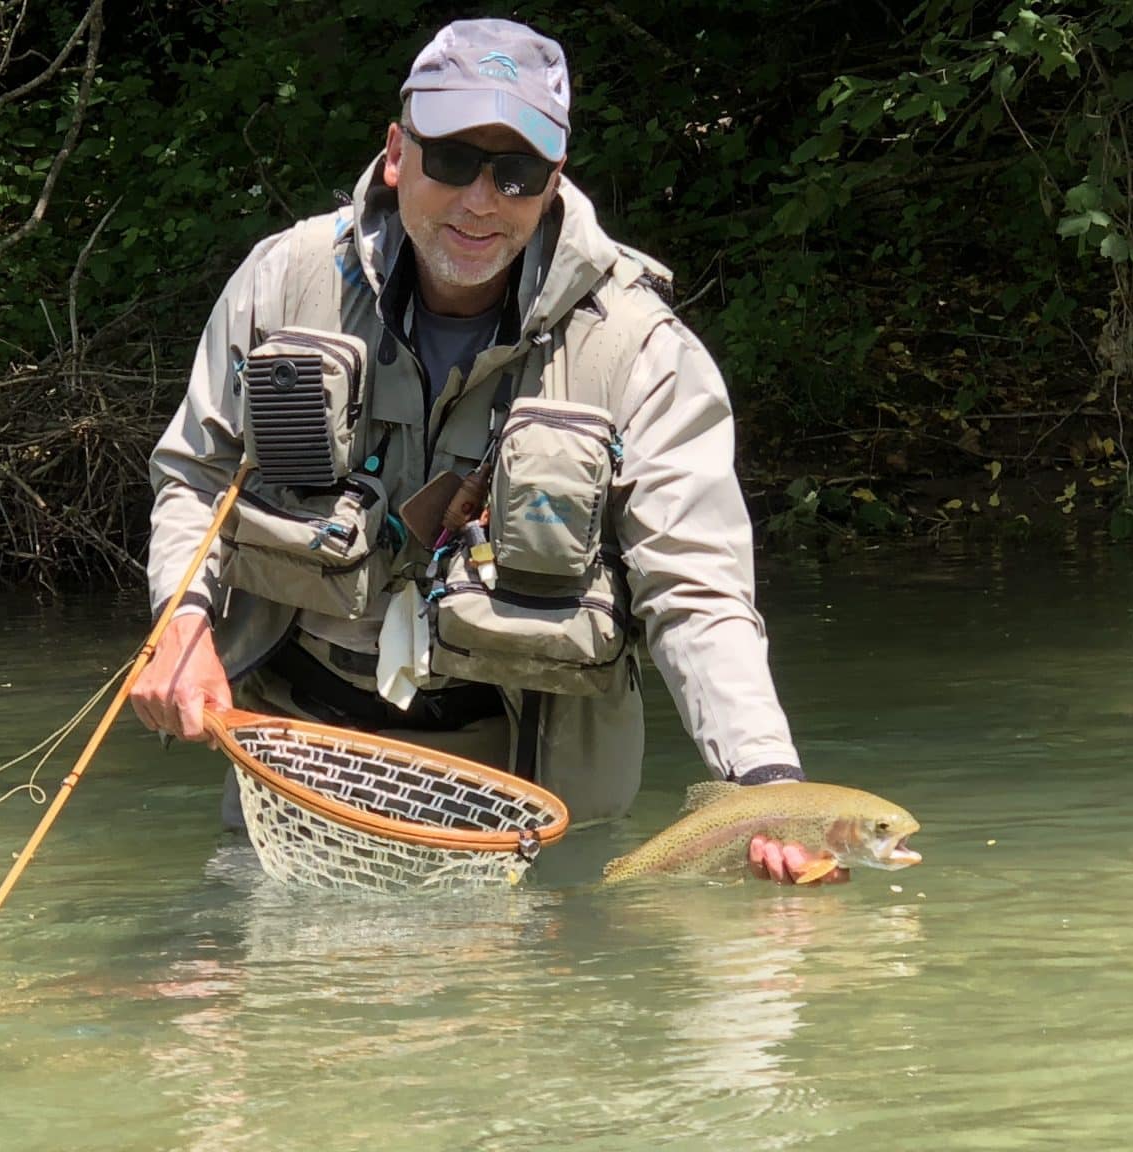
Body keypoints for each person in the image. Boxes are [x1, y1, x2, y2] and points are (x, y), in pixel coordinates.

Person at [130, 18, 843, 884]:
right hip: (293, 763)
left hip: (522, 792)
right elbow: (195, 473)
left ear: (552, 184)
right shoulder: (285, 281)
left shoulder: (640, 349)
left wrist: (766, 782)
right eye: (455, 160)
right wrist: (182, 621)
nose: (481, 200)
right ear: (398, 153)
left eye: (516, 174)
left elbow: (697, 592)